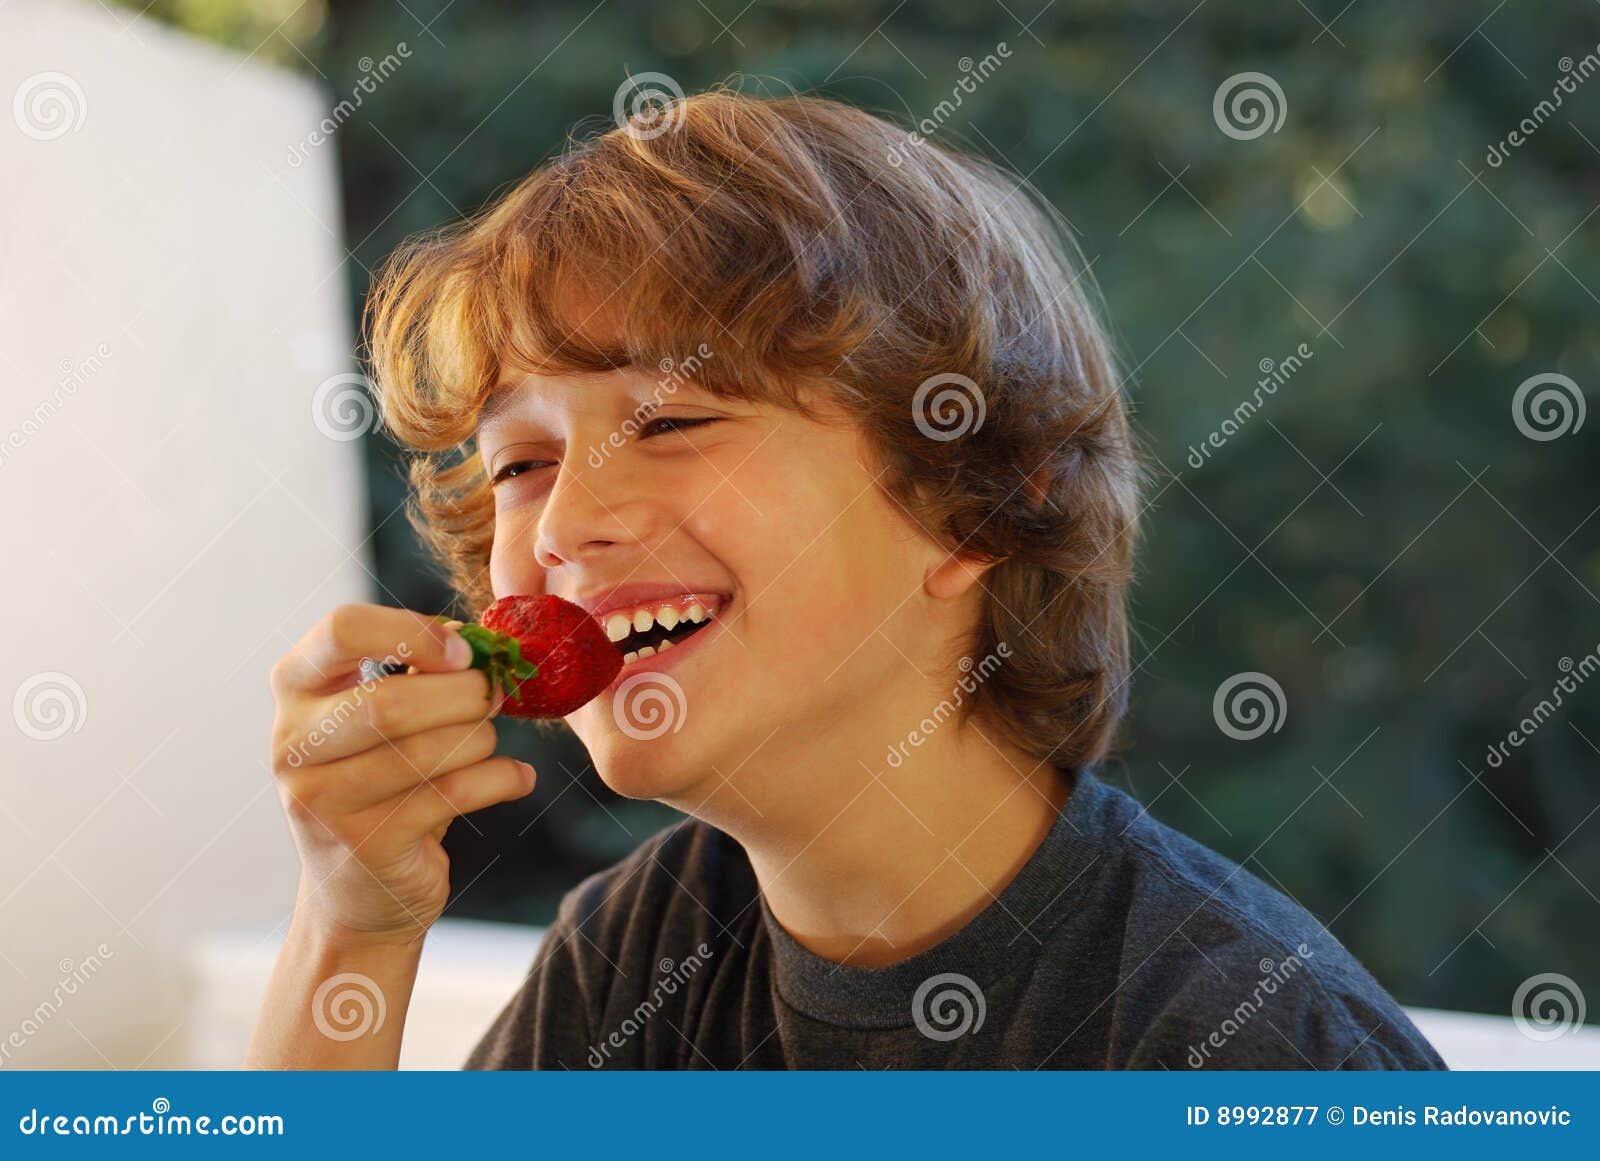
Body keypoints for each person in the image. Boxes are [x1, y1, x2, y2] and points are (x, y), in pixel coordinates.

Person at [247, 90, 1443, 1070]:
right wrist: (354, 929)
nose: (564, 523)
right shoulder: (637, 954)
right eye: (522, 460)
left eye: (671, 422)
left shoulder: (1244, 1046)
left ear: (977, 499)